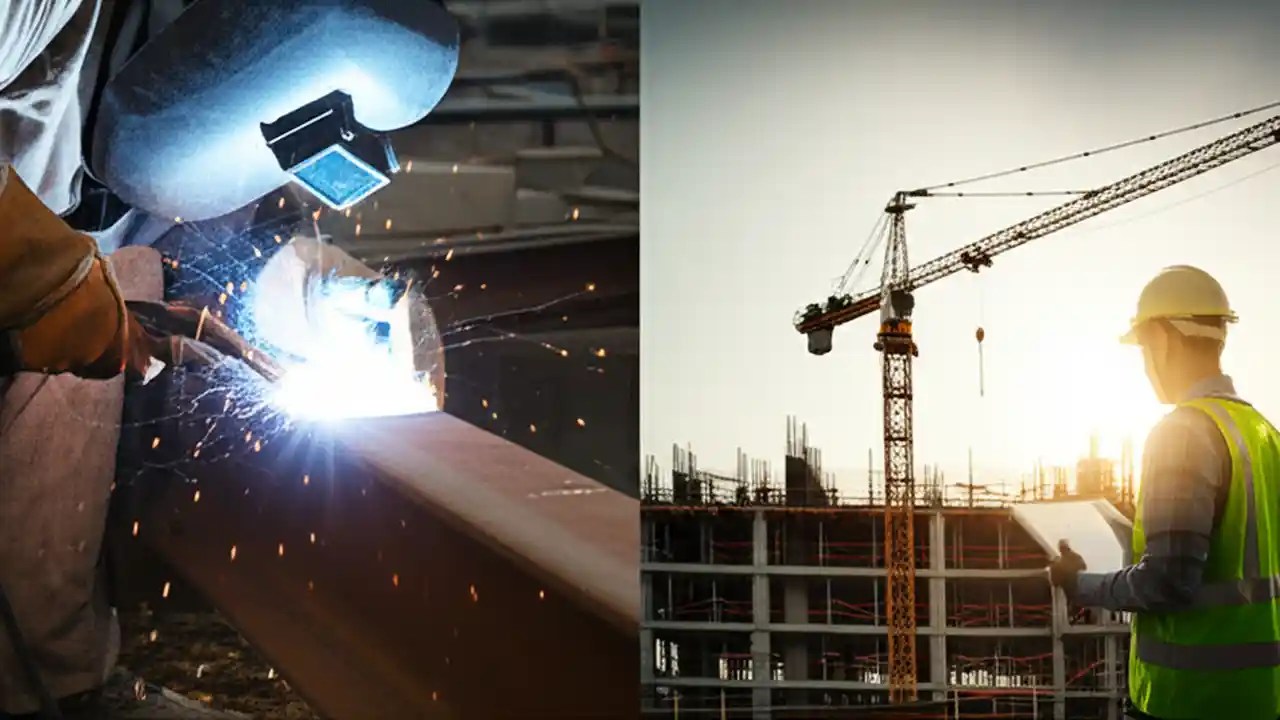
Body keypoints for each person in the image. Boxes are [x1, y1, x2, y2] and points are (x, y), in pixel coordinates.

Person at [0, 2, 457, 717]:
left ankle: (44, 687)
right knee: (76, 288)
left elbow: (199, 209)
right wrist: (32, 268)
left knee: (120, 278)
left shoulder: (187, 68)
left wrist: (306, 287)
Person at [1048, 265, 1280, 720]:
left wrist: (1079, 585)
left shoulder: (1183, 433)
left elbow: (1169, 582)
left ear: (1163, 339)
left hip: (1189, 698)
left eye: (1144, 349)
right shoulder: (1263, 434)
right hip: (1262, 696)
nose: (1145, 364)